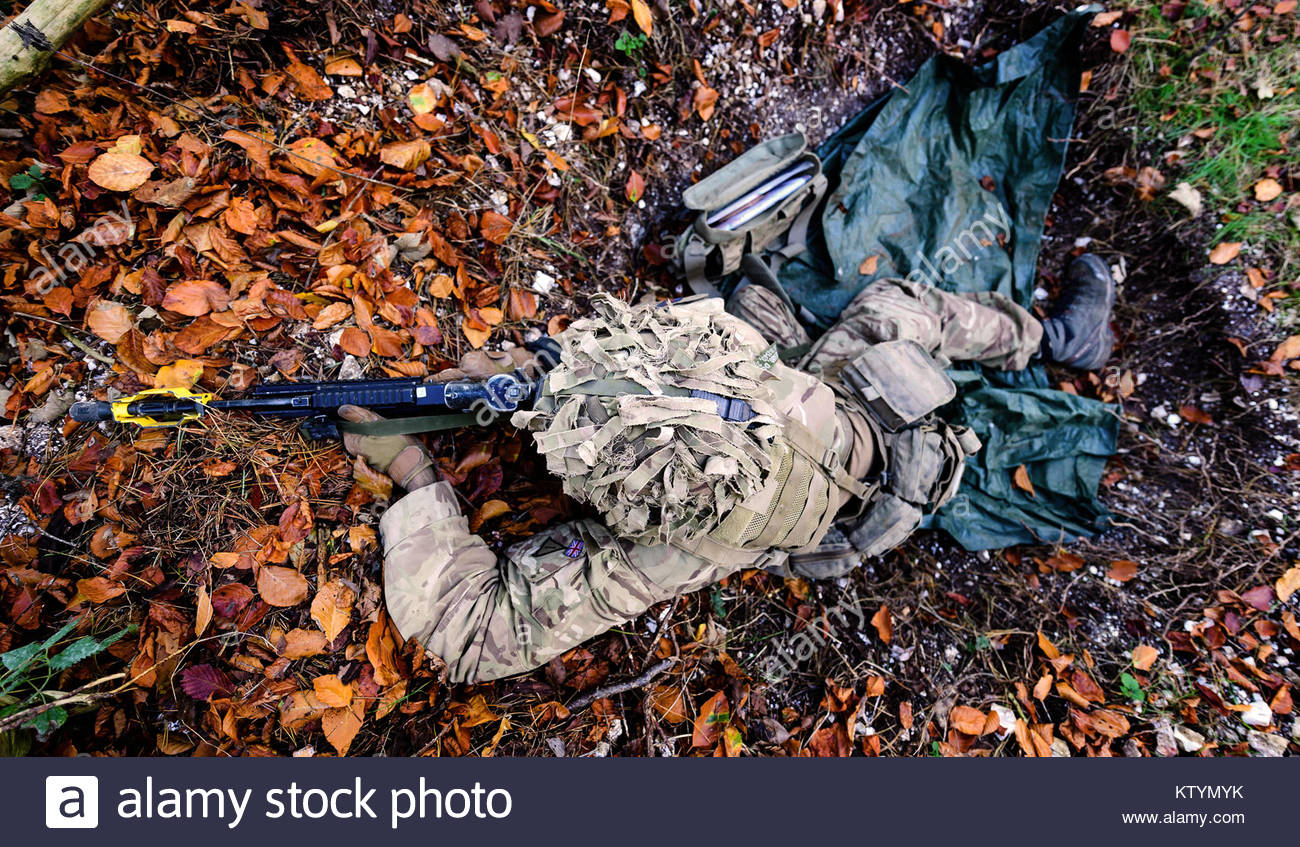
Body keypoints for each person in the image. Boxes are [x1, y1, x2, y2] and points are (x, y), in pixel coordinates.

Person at [340, 255, 1116, 683]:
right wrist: (536, 375)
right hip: (831, 407)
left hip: (830, 479)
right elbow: (660, 348)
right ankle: (1053, 341)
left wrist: (415, 477)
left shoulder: (670, 549)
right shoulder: (729, 356)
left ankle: (1054, 342)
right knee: (893, 306)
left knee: (890, 322)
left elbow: (469, 633)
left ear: (635, 508)